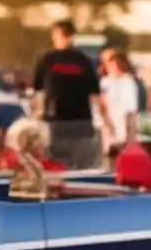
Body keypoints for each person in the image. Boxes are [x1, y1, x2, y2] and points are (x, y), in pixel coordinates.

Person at [30, 19, 109, 169]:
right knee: (76, 165)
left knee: (62, 164)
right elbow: (96, 95)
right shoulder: (81, 61)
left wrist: (37, 115)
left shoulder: (52, 60)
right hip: (67, 121)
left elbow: (38, 93)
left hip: (67, 121)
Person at [100, 50, 140, 155]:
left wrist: (130, 134)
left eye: (114, 64)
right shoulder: (104, 82)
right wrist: (108, 124)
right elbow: (102, 106)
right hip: (108, 129)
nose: (112, 68)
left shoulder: (128, 82)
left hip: (124, 130)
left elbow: (131, 109)